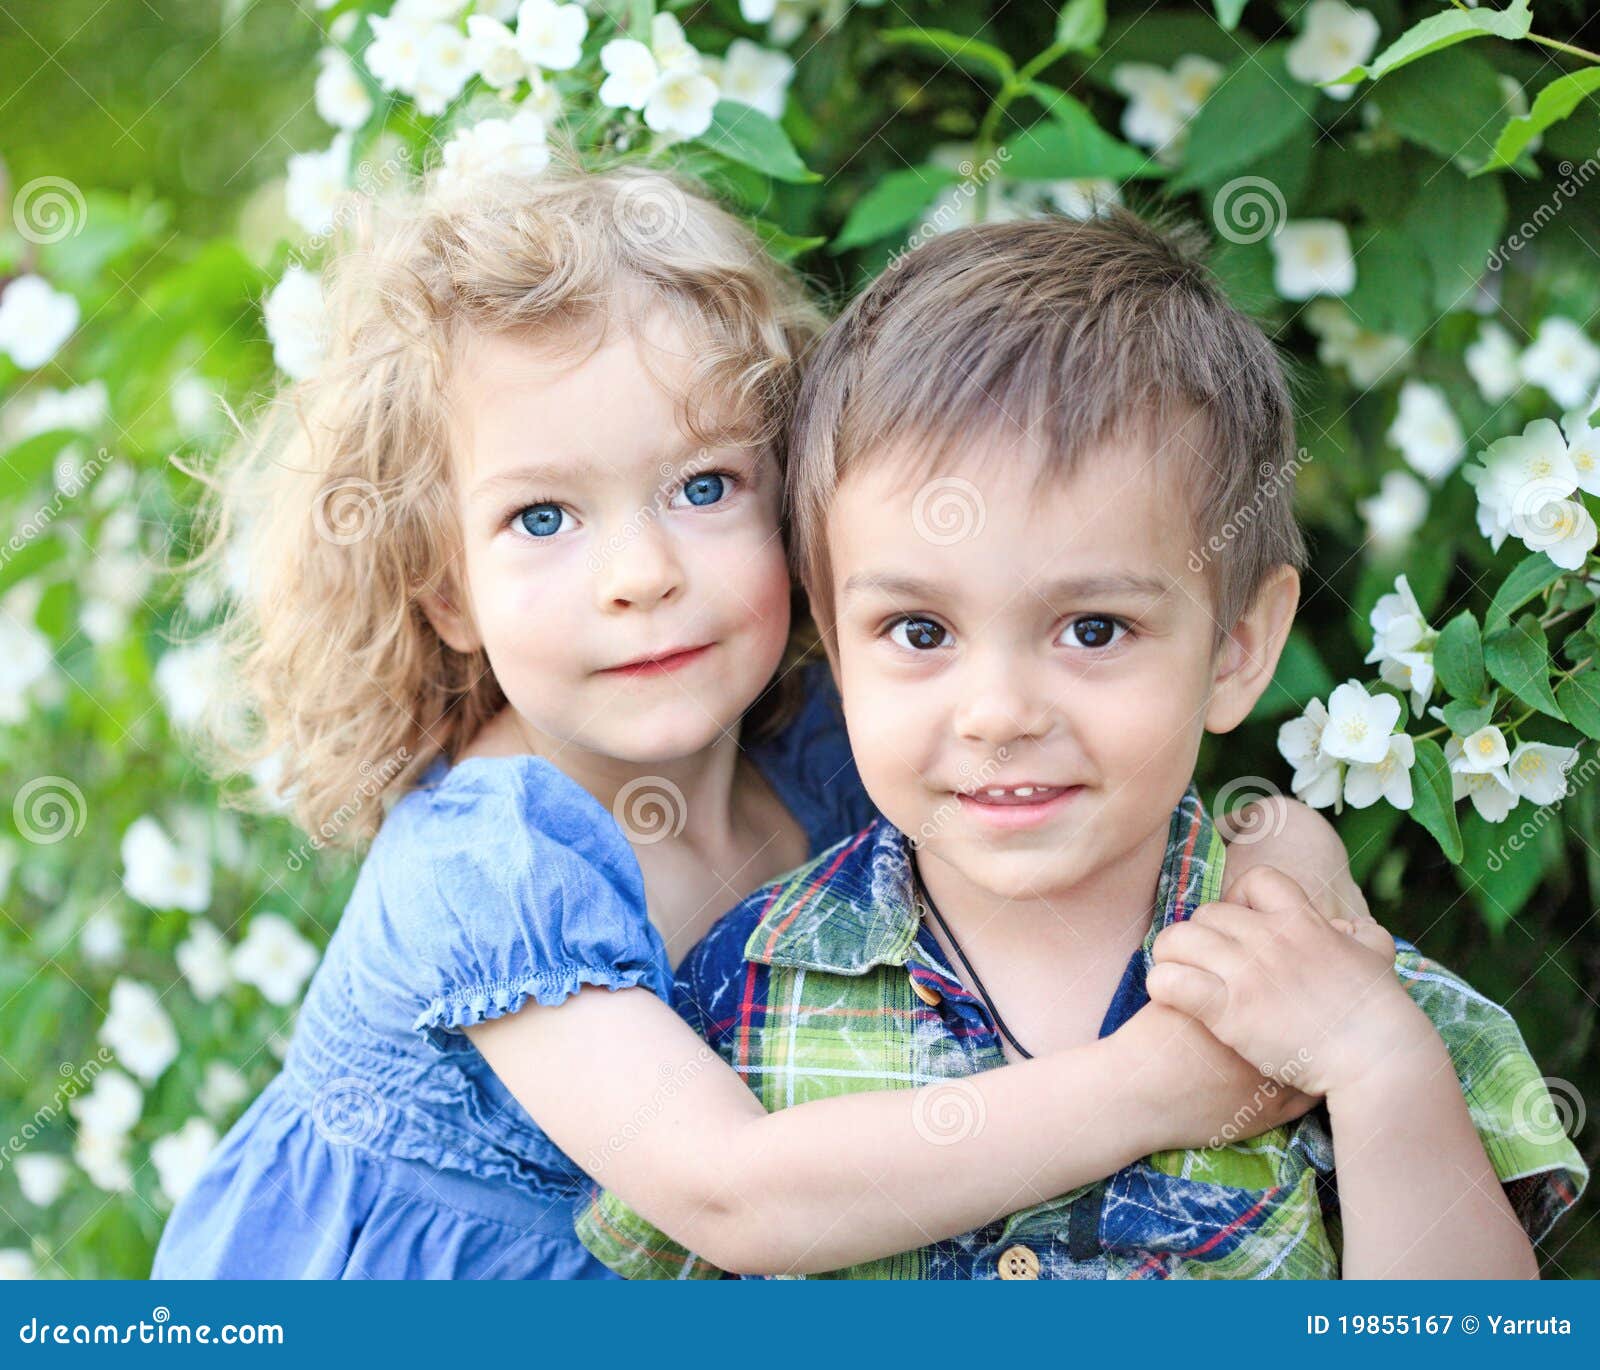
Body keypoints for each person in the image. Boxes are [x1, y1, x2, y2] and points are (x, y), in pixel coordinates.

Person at [577, 207, 1588, 1279]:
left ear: (1239, 645)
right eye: (918, 631)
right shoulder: (742, 989)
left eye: (1093, 628)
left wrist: (1380, 1064)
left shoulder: (1337, 990)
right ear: (831, 637)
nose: (999, 712)